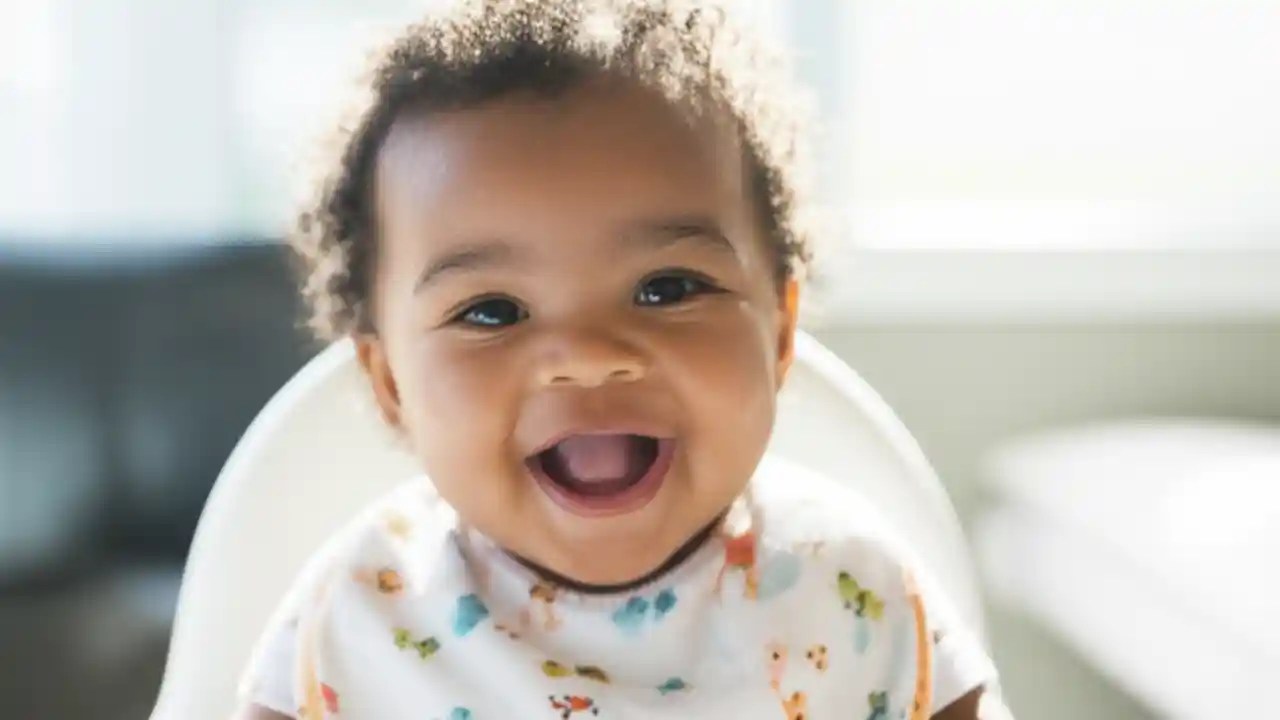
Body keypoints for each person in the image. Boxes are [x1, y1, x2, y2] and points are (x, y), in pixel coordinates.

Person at [234, 1, 1004, 717]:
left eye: (667, 288)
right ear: (391, 384)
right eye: (492, 311)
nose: (589, 358)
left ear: (779, 333)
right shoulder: (357, 618)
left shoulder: (853, 594)